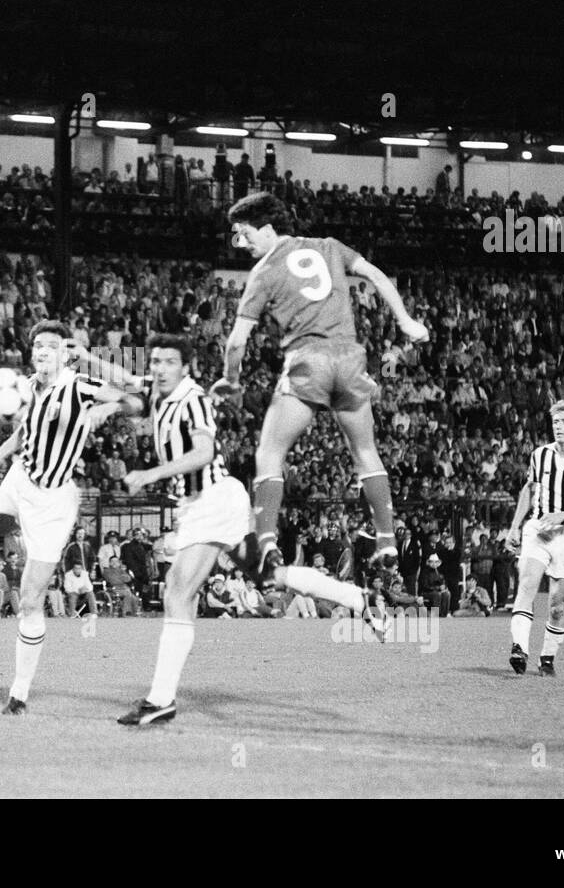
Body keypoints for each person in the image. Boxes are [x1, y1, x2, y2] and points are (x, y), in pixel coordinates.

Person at [118, 334, 384, 727]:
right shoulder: (163, 392)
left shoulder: (191, 399)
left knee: (178, 589)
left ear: (185, 368)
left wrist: (150, 474)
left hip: (210, 500)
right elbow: (124, 379)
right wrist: (86, 358)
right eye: (154, 361)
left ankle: (161, 699)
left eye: (168, 362)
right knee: (266, 576)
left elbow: (204, 452)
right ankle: (359, 598)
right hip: (207, 502)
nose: (158, 368)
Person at [212, 192, 428, 589]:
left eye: (244, 234)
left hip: (308, 361)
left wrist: (232, 379)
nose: (241, 243)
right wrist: (406, 320)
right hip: (350, 359)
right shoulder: (330, 247)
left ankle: (266, 540)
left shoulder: (264, 271)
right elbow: (377, 274)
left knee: (269, 452)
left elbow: (237, 342)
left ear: (268, 228)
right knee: (365, 451)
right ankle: (386, 539)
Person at [0, 320, 139, 715]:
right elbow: (24, 431)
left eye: (51, 345)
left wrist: (109, 406)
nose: (43, 351)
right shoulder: (28, 386)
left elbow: (135, 399)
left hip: (52, 504)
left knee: (29, 600)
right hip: (20, 477)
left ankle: (18, 694)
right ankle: (9, 524)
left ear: (64, 353)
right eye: (37, 346)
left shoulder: (80, 384)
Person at [504, 401, 564, 677]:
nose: (558, 426)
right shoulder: (540, 455)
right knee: (527, 583)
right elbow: (529, 489)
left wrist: (561, 516)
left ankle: (546, 657)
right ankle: (519, 648)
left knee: (559, 605)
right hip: (538, 530)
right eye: (555, 422)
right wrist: (514, 527)